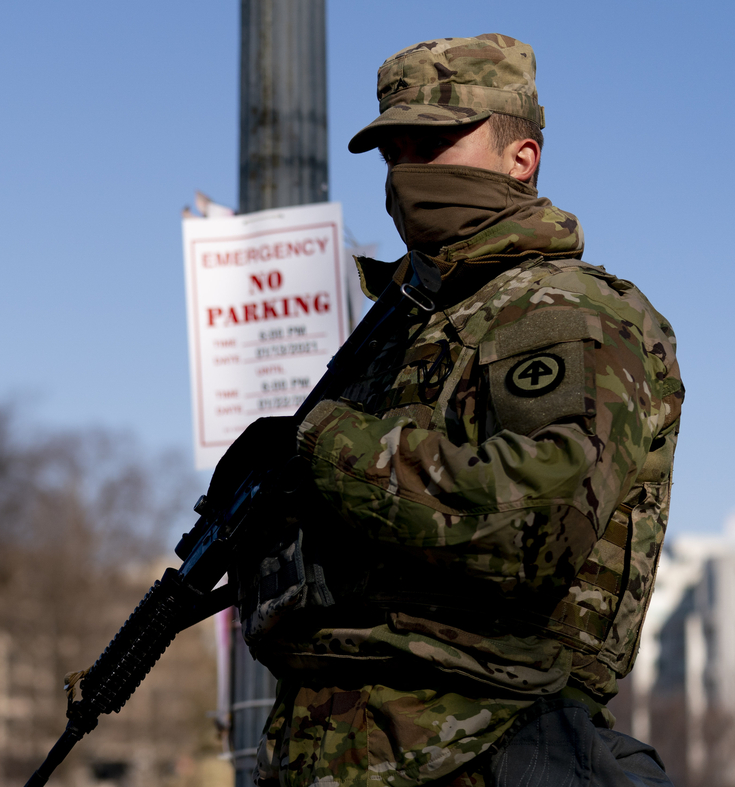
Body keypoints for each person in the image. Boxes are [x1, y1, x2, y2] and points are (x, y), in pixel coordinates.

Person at [209, 34, 683, 787]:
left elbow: (527, 527)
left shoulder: (566, 309)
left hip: (481, 744)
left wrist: (325, 444)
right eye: (395, 149)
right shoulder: (404, 323)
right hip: (334, 749)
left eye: (435, 140)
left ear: (521, 157)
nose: (408, 172)